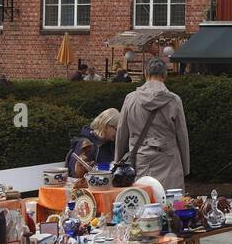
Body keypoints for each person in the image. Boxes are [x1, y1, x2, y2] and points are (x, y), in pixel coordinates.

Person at [115, 55, 189, 195]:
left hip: (140, 159)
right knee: (171, 205)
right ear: (165, 75)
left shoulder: (131, 99)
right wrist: (185, 167)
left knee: (143, 201)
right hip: (169, 160)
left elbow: (121, 133)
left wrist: (118, 161)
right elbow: (182, 135)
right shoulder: (174, 100)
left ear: (145, 73)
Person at [66, 107, 120, 178]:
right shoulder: (86, 144)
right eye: (117, 129)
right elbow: (75, 174)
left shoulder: (111, 144)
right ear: (106, 126)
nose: (119, 133)